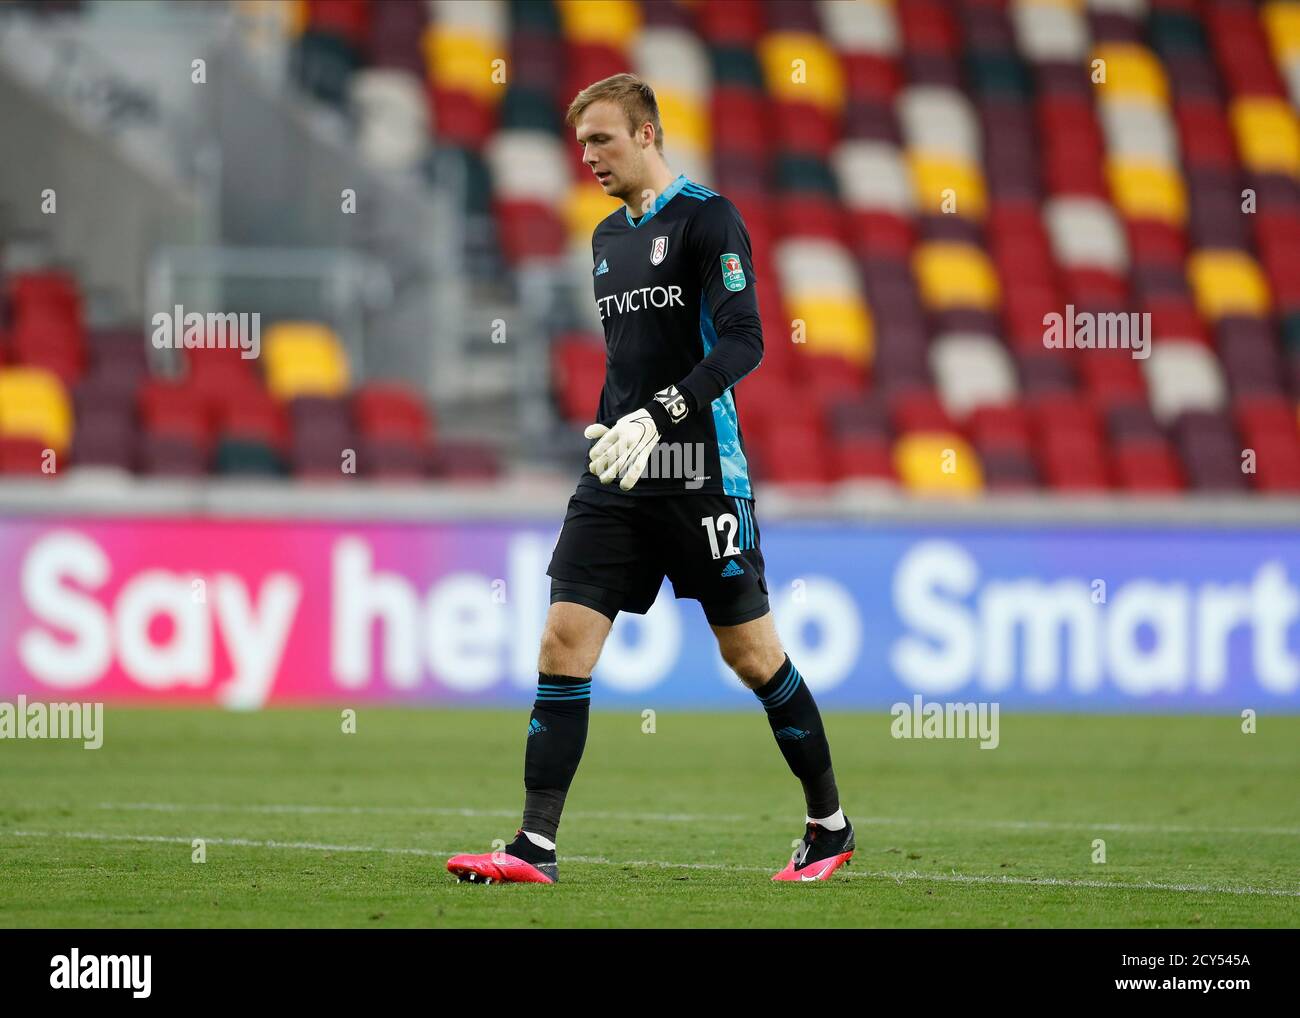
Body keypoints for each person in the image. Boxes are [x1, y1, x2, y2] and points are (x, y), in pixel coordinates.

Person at [447, 73, 853, 885]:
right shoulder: (604, 241)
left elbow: (744, 344)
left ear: (648, 135)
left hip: (701, 473)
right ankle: (535, 846)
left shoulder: (710, 219)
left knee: (753, 656)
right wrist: (611, 427)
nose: (588, 156)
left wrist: (660, 415)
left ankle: (829, 824)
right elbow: (629, 365)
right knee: (563, 641)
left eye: (602, 139)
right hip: (622, 475)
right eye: (581, 144)